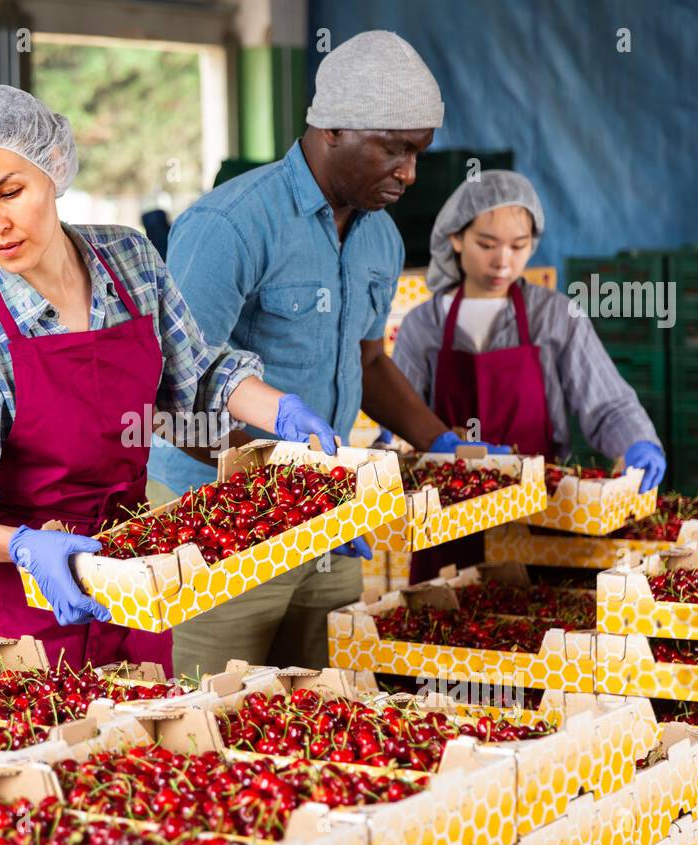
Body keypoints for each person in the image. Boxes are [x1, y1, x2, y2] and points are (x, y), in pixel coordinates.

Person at [0, 85, 341, 675]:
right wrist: (21, 545)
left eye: (11, 192)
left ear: (53, 169)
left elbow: (196, 380)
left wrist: (281, 411)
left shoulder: (129, 261)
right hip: (20, 632)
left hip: (135, 593)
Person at [145, 31, 506, 678]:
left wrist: (441, 444)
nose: (409, 172)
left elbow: (367, 363)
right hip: (216, 526)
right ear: (333, 128)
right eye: (394, 149)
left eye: (419, 153)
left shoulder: (381, 238)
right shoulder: (231, 226)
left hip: (327, 522)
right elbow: (171, 395)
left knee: (321, 715)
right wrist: (286, 493)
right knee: (210, 726)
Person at [393, 170, 666, 578]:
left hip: (542, 521)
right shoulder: (422, 326)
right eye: (487, 244)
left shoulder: (555, 316)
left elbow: (607, 404)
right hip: (449, 523)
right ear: (455, 238)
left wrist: (639, 442)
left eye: (518, 246)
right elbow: (398, 418)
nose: (503, 261)